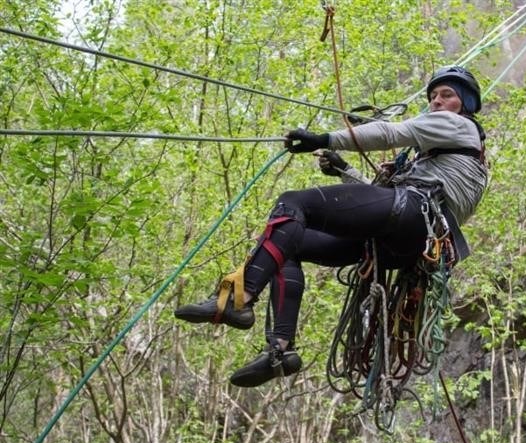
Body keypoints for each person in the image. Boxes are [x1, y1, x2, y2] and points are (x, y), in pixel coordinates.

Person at [174, 66, 489, 387]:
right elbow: (381, 204)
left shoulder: (459, 125)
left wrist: (324, 140)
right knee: (290, 244)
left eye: (446, 95)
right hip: (404, 239)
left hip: (413, 216)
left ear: (465, 104)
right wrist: (345, 170)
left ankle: (238, 299)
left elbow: (391, 134)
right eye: (433, 96)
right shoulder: (441, 158)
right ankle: (279, 350)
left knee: (292, 204)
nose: (436, 101)